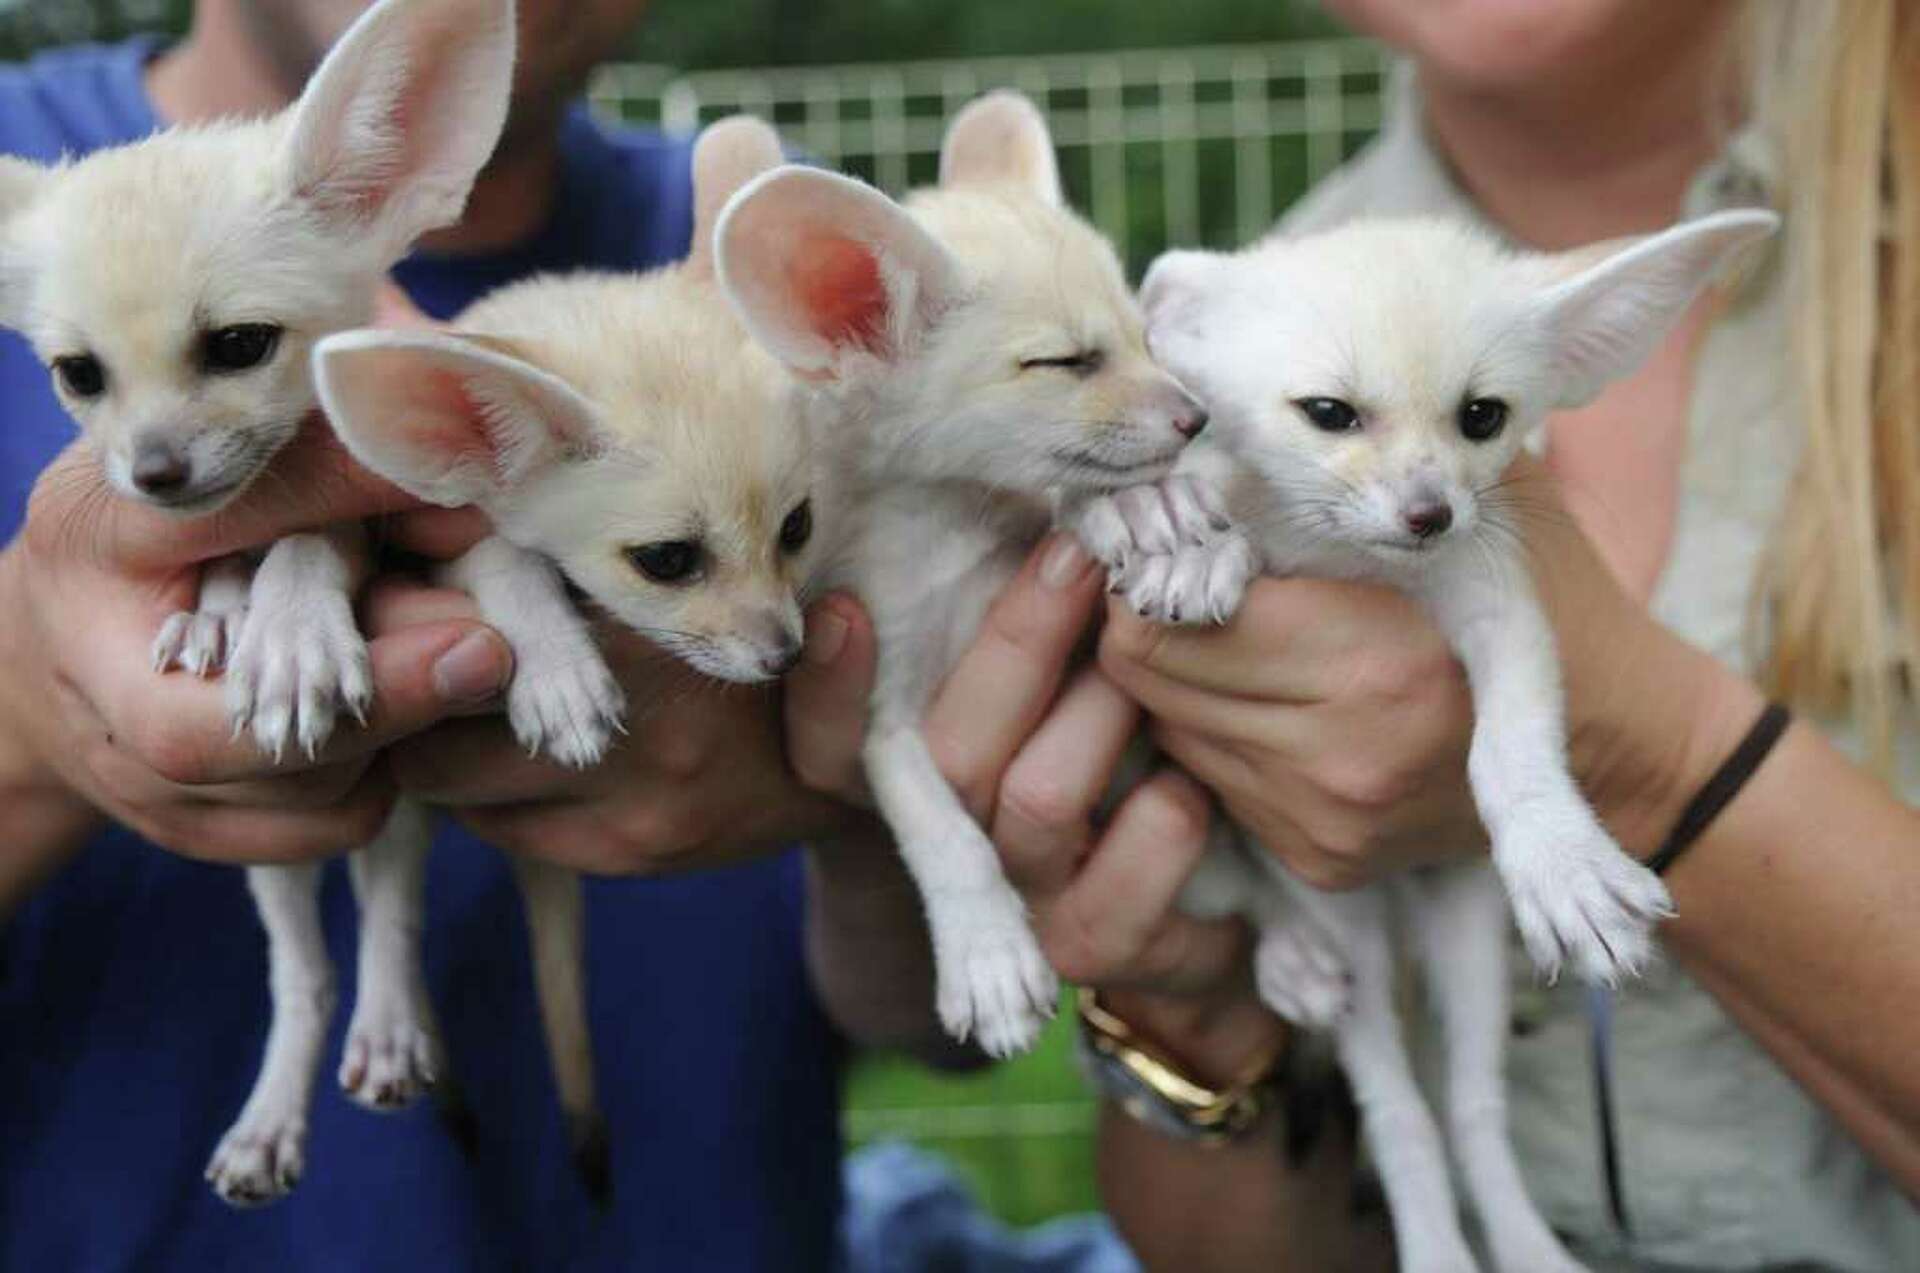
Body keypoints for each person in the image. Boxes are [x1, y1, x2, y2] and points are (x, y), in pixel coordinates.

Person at [799, 1, 1920, 1269]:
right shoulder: (1239, 330)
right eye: (1335, 416)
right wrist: (1196, 1013)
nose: (1424, 492)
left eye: (1480, 420)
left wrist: (1647, 750)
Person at [0, 4, 953, 1270]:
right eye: (83, 379)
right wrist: (23, 728)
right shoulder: (54, 212)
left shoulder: (772, 269)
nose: (153, 455)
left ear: (396, 164)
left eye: (233, 349)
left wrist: (853, 801)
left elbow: (962, 1026)